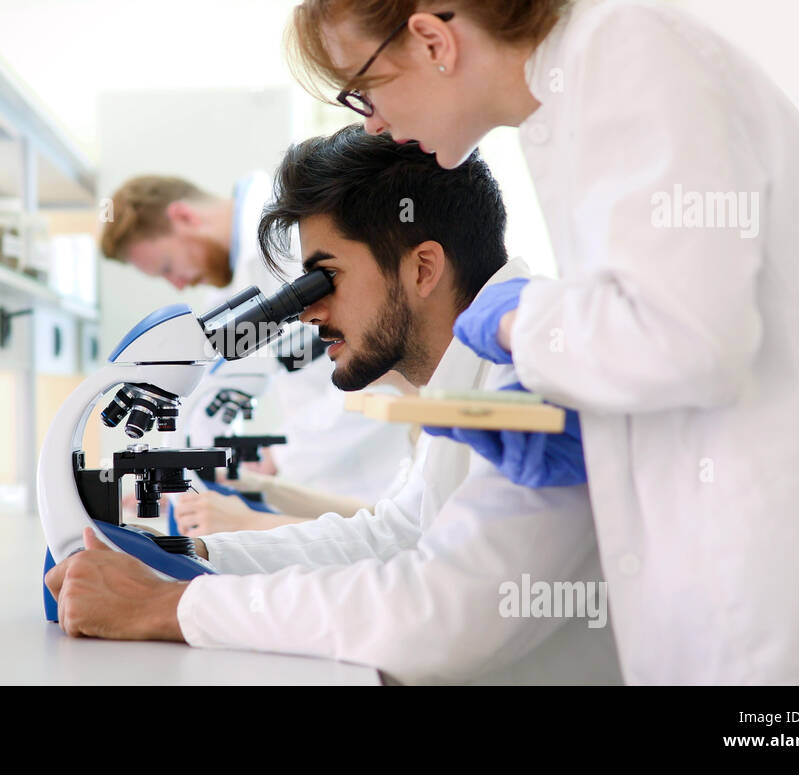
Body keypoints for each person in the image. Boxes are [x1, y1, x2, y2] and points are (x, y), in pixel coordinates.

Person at [287, 0, 799, 683]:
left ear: (433, 39)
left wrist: (509, 322)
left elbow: (687, 336)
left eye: (361, 89)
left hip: (797, 615)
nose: (372, 121)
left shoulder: (624, 45)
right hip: (734, 595)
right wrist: (574, 395)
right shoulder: (568, 101)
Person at [47, 126, 622, 685]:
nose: (307, 313)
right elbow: (389, 536)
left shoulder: (528, 370)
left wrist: (171, 607)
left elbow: (442, 616)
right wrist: (191, 557)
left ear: (422, 268)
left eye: (327, 278)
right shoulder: (465, 376)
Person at [100, 173, 414, 527]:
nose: (179, 284)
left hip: (378, 475)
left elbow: (376, 369)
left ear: (184, 218)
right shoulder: (232, 284)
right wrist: (170, 479)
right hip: (328, 486)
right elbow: (213, 380)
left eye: (169, 267)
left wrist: (281, 456)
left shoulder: (292, 237)